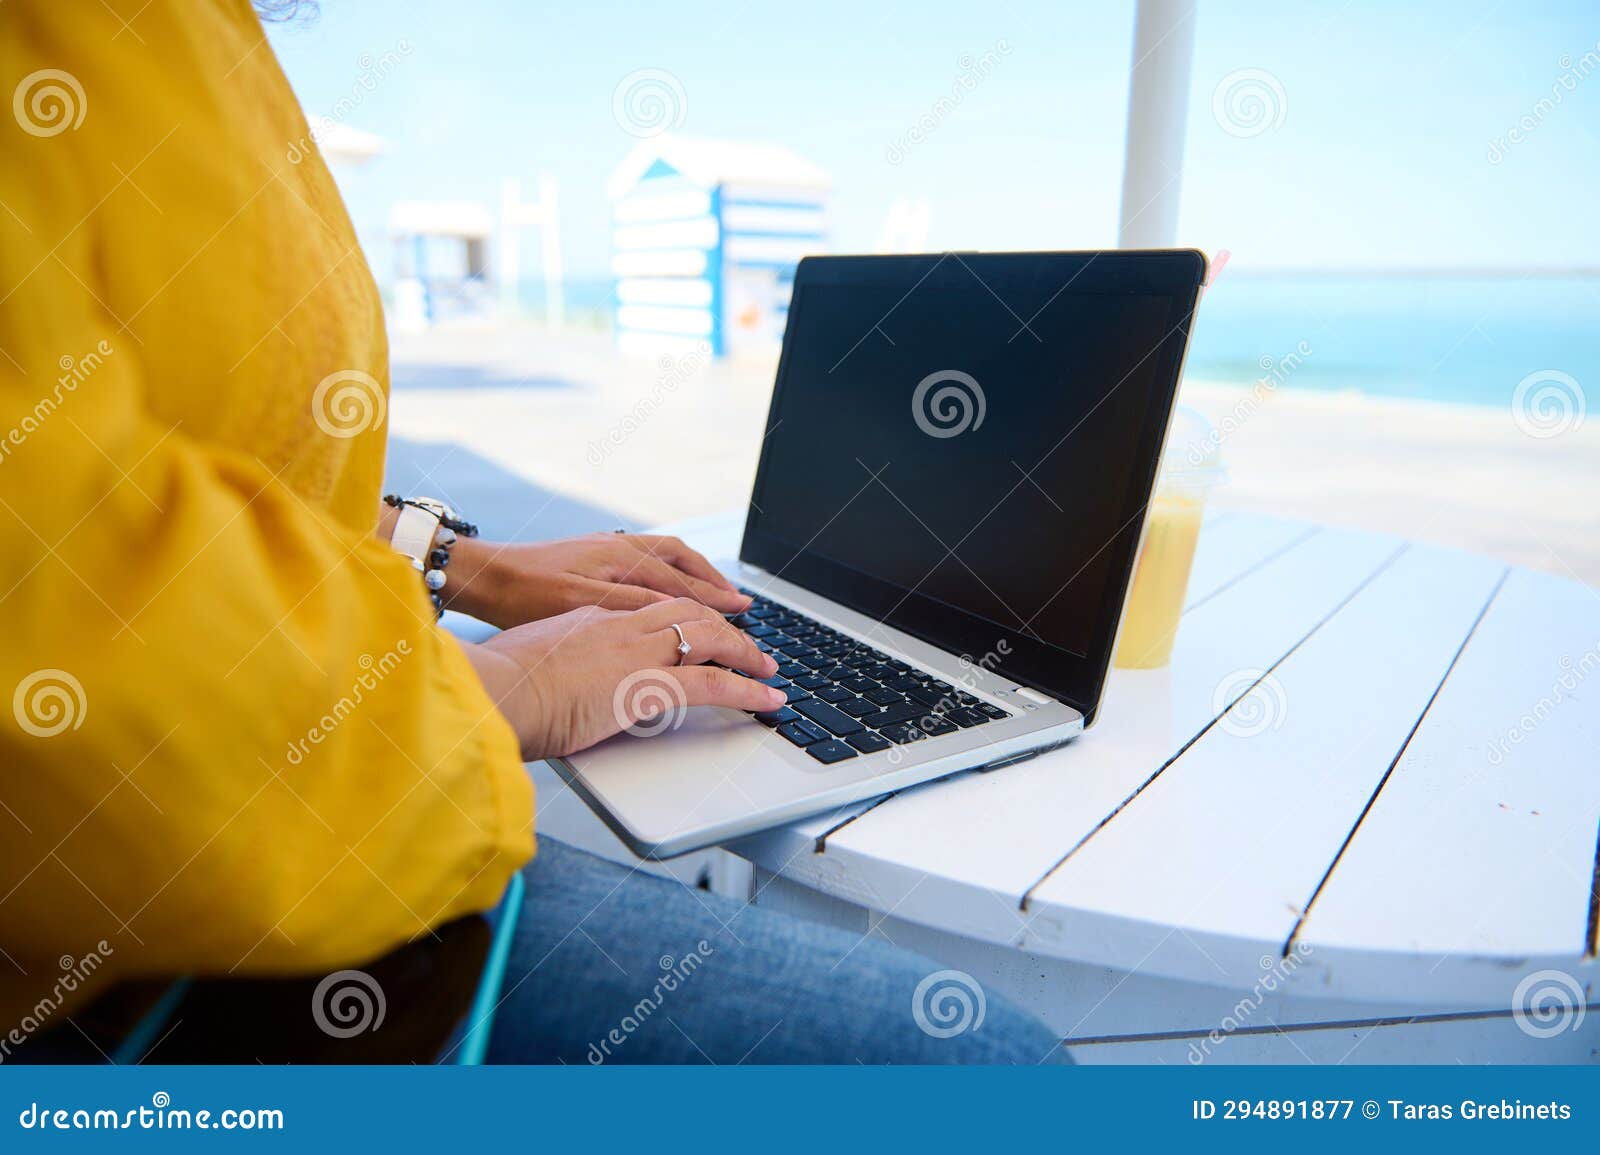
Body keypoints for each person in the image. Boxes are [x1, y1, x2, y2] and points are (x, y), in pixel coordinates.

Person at [0, 0, 1065, 1064]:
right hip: (137, 954)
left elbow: (175, 459)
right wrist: (502, 691)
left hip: (284, 799)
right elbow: (56, 633)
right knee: (991, 1071)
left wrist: (470, 566)